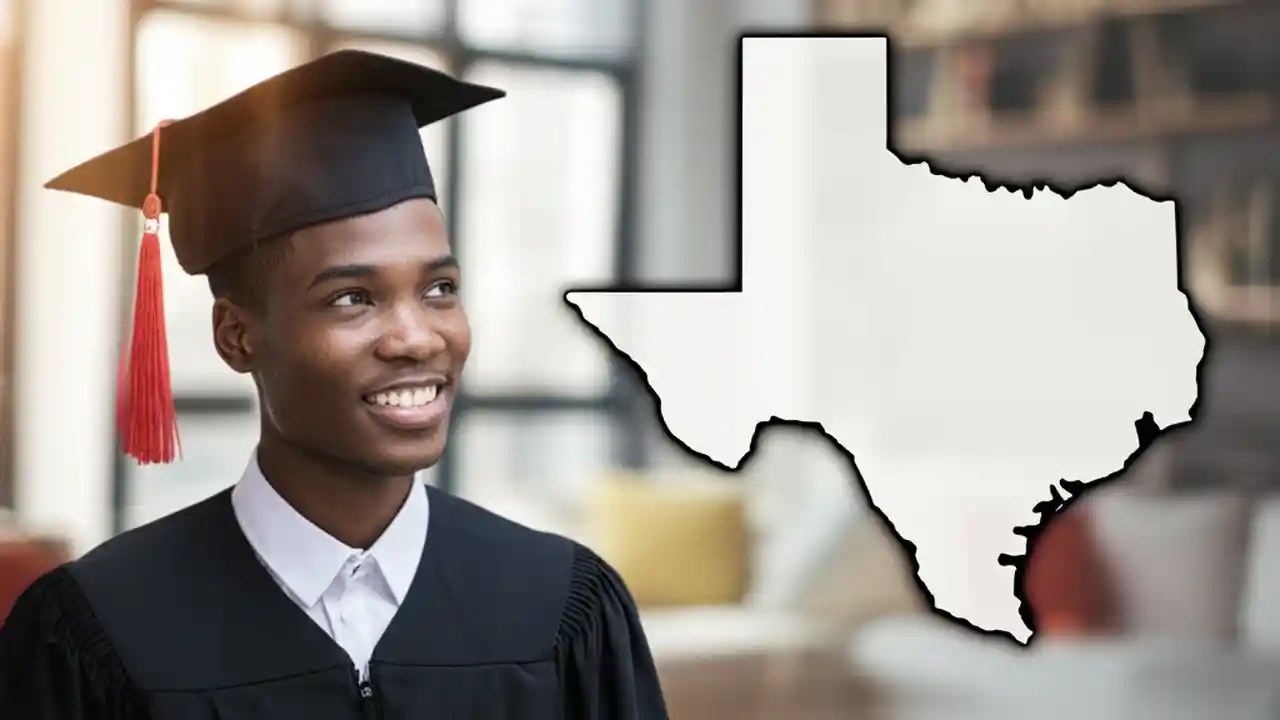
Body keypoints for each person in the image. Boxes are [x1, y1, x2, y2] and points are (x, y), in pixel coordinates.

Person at [0, 49, 669, 719]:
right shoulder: (102, 631)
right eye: (352, 298)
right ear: (237, 337)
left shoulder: (560, 609)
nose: (416, 337)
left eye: (439, 289)